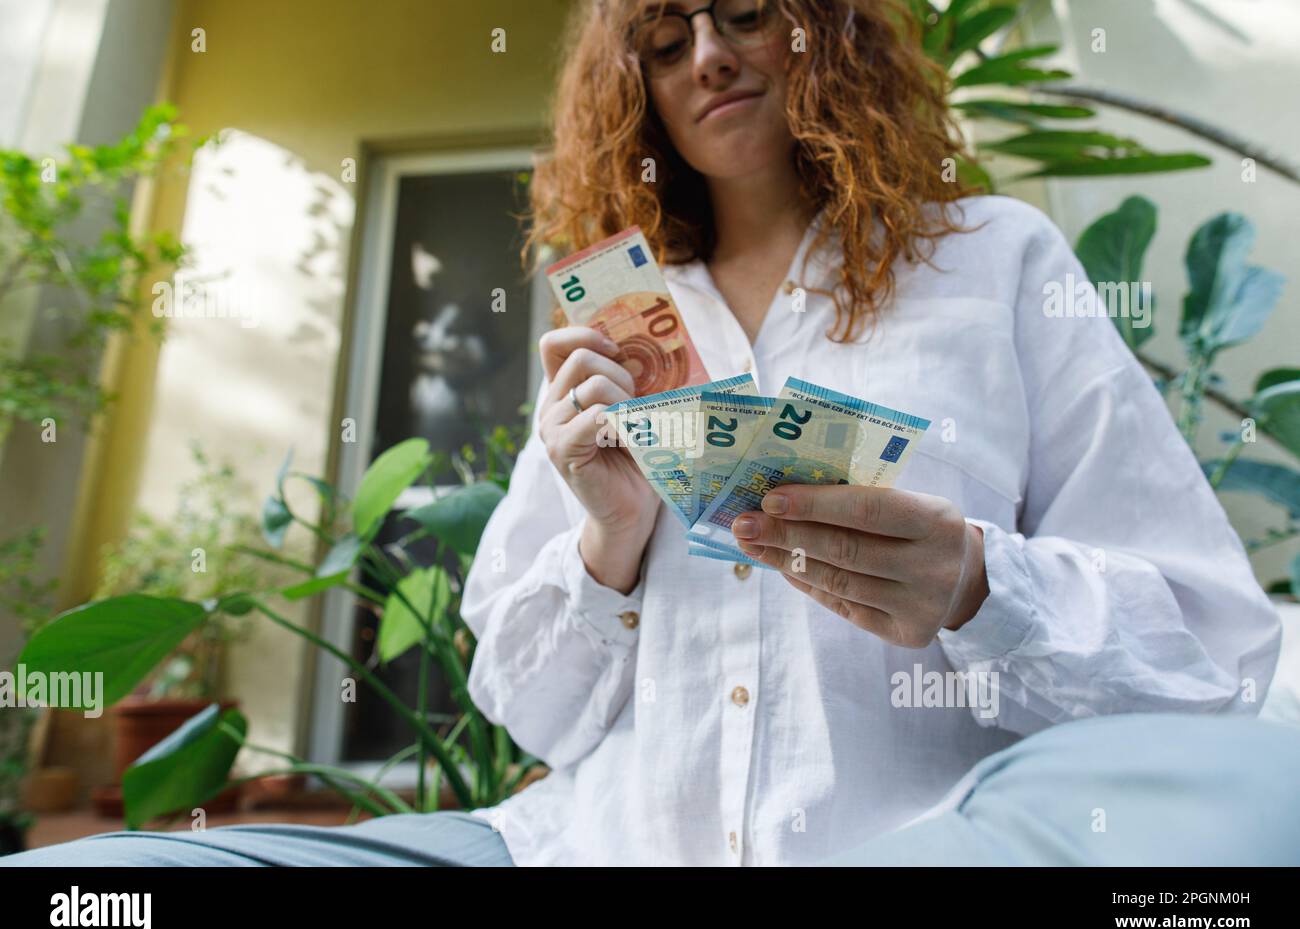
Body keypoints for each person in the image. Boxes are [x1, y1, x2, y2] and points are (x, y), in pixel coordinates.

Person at [2, 0, 1289, 868]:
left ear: (827, 32)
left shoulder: (997, 263)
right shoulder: (618, 312)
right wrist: (605, 541)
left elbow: (1209, 650)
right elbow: (535, 711)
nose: (708, 60)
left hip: (911, 836)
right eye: (665, 41)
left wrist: (972, 584)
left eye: (741, 14)